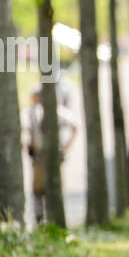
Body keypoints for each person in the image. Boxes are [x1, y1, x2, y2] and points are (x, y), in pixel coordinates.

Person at [22, 88, 78, 224]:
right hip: (52, 156)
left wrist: (28, 148)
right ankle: (51, 220)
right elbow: (74, 126)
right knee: (51, 189)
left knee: (38, 191)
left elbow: (22, 131)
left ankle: (40, 221)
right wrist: (65, 148)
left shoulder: (32, 112)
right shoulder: (57, 111)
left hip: (40, 156)